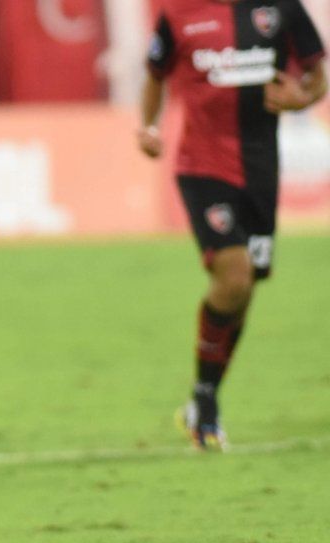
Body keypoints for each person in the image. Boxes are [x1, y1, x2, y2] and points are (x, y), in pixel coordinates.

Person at [137, 0, 325, 450]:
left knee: (243, 290)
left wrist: (303, 96)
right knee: (234, 275)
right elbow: (155, 73)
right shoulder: (178, 13)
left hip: (261, 172)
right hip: (201, 167)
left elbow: (316, 75)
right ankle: (205, 398)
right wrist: (147, 126)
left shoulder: (281, 8)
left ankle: (204, 397)